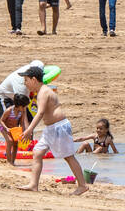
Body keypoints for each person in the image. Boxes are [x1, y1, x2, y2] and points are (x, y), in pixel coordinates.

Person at [17, 65, 90, 194]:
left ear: (34, 79)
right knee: (37, 153)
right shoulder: (41, 91)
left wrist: (29, 130)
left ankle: (82, 185)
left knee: (68, 157)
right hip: (50, 129)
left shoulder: (43, 92)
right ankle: (33, 184)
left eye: (26, 80)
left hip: (59, 127)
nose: (25, 83)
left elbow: (40, 113)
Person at [0, 94, 31, 165]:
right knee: (9, 141)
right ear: (20, 106)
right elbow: (1, 121)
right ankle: (9, 162)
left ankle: (13, 162)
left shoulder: (21, 112)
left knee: (16, 144)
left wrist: (23, 132)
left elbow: (21, 123)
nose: (25, 108)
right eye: (25, 106)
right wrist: (6, 128)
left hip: (14, 130)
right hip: (4, 128)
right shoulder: (9, 110)